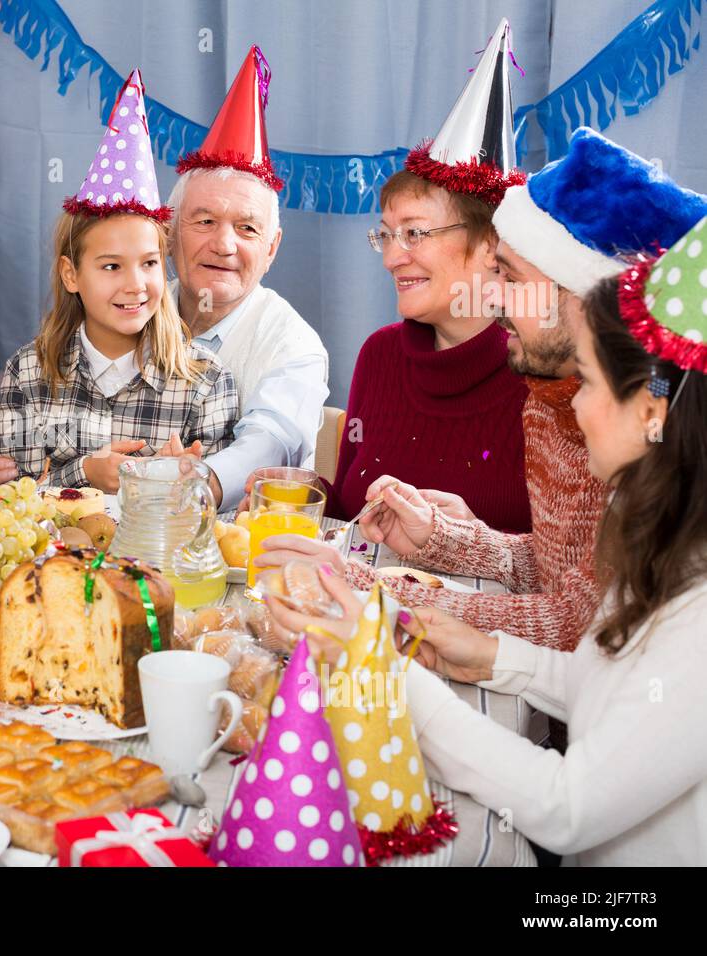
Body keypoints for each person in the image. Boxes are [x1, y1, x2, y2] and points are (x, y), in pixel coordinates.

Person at [268, 220, 707, 865]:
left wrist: (387, 670)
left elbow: (566, 809)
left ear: (653, 410)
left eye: (587, 382)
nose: (577, 406)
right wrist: (491, 657)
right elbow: (607, 680)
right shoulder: (657, 517)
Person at [266, 129, 707, 650]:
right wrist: (444, 538)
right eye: (388, 234)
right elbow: (554, 570)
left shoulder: (632, 429)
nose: (493, 296)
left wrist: (364, 586)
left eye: (509, 277)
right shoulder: (550, 395)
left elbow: (573, 626)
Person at [0, 47, 329, 506]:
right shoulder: (61, 350)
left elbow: (266, 450)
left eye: (247, 228)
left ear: (272, 247)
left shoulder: (279, 350)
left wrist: (192, 478)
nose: (224, 245)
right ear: (172, 231)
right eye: (204, 221)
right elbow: (10, 492)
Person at [324, 23, 531, 533]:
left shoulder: (542, 377)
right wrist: (304, 495)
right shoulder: (380, 355)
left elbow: (567, 569)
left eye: (415, 234)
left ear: (490, 246)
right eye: (387, 236)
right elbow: (349, 512)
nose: (393, 258)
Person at [0, 71, 238, 492]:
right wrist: (84, 473)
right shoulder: (28, 372)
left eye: (149, 263)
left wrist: (175, 482)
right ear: (71, 274)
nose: (135, 285)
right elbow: (11, 500)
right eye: (111, 267)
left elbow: (214, 517)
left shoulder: (206, 383)